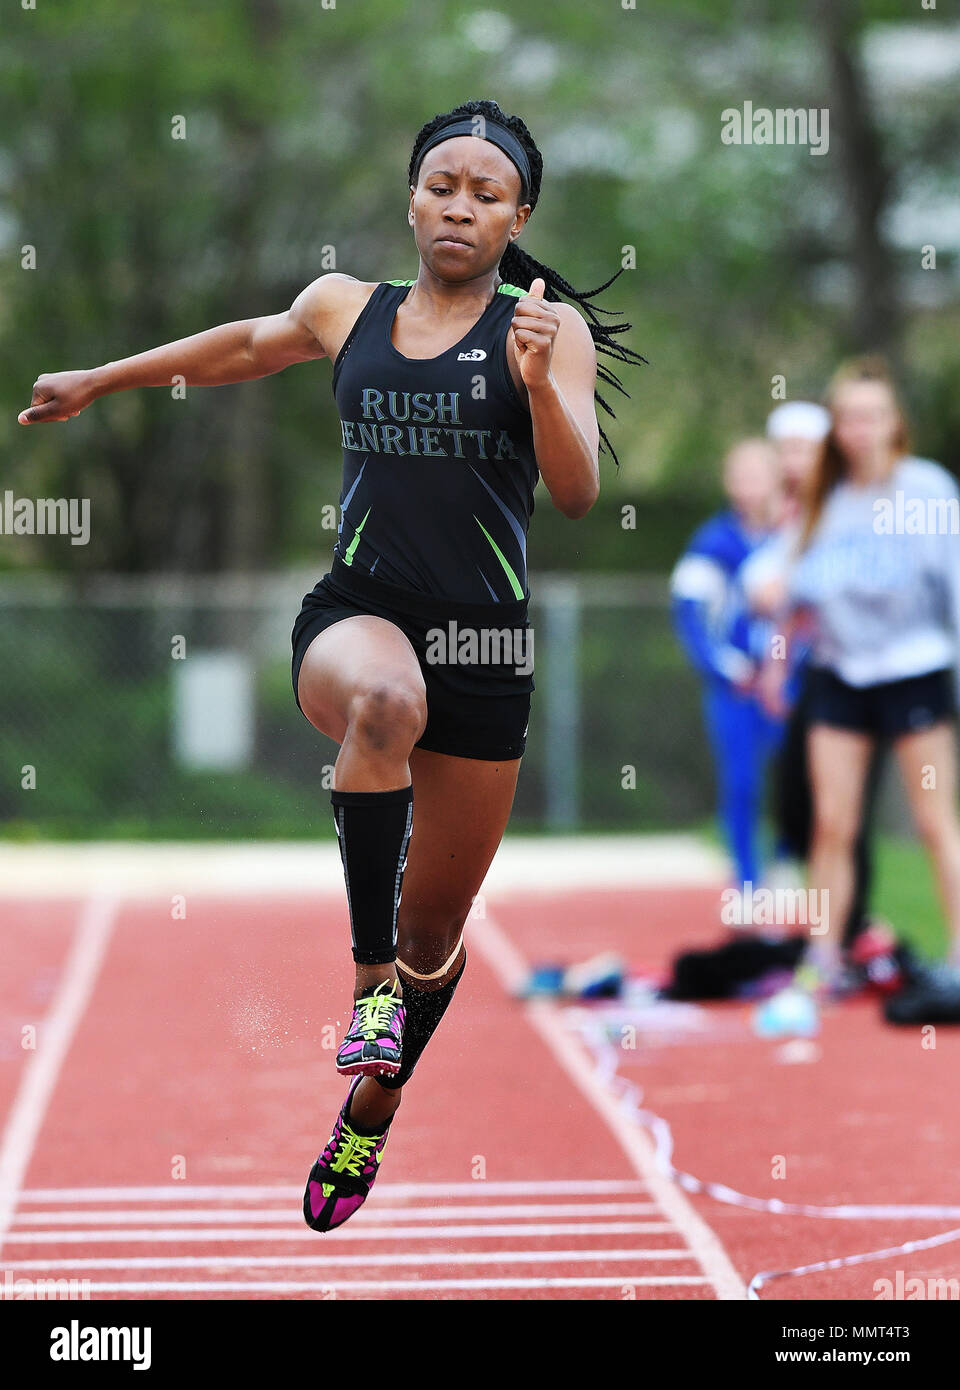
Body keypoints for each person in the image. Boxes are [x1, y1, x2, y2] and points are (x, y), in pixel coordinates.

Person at [18, 98, 647, 1226]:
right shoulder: (345, 307)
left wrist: (542, 373)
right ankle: (366, 988)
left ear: (519, 214)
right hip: (357, 613)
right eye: (442, 185)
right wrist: (99, 380)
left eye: (487, 192)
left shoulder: (543, 327)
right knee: (383, 700)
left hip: (486, 646)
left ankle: (370, 1114)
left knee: (437, 937)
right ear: (412, 197)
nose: (461, 204)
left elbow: (576, 492)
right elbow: (244, 348)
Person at [765, 358, 960, 1021]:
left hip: (913, 672)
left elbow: (953, 585)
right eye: (846, 417)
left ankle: (959, 957)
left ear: (893, 422)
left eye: (871, 415)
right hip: (841, 675)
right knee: (831, 824)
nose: (858, 429)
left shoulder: (926, 490)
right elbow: (783, 568)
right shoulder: (826, 496)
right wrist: (771, 587)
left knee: (937, 822)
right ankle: (822, 966)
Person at [746, 401, 891, 975]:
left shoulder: (845, 507)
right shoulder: (795, 514)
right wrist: (777, 667)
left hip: (867, 675)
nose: (791, 462)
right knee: (805, 804)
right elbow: (783, 605)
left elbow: (794, 594)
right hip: (820, 677)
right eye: (784, 452)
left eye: (801, 451)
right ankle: (834, 927)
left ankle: (855, 928)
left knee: (846, 811)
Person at [670, 438, 785, 903]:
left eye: (758, 474)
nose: (748, 486)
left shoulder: (794, 536)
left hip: (788, 684)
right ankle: (747, 878)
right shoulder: (712, 543)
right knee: (741, 782)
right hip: (735, 688)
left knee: (798, 780)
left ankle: (785, 864)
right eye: (739, 475)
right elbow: (690, 618)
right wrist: (729, 668)